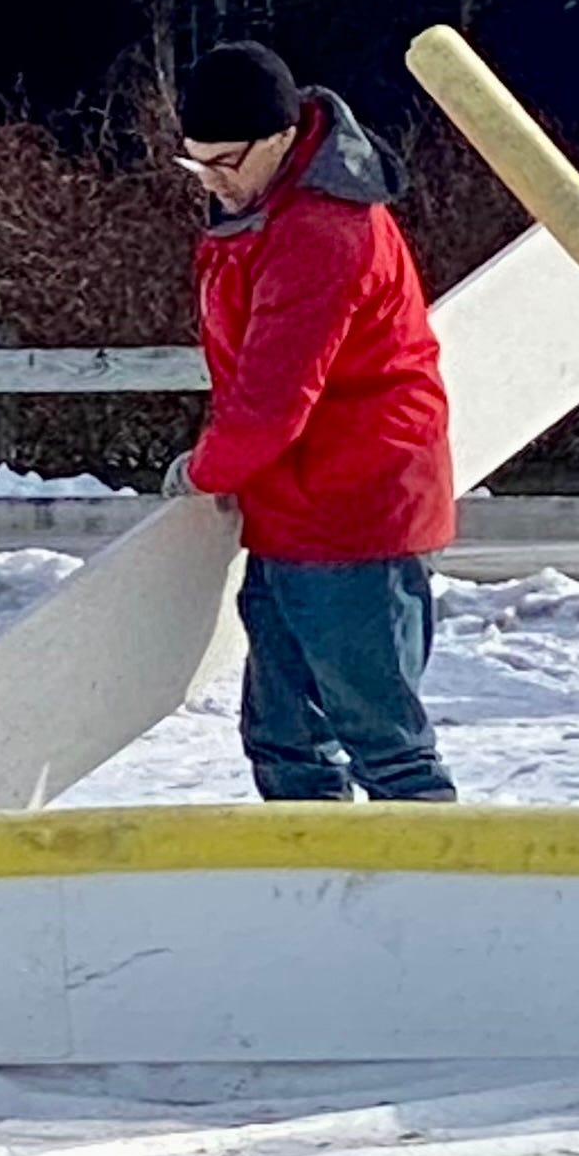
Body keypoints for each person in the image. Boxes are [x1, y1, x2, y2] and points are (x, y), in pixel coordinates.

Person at [164, 42, 457, 802]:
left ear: (283, 137)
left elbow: (270, 403)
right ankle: (312, 895)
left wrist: (202, 470)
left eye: (226, 161)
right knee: (282, 736)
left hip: (356, 509)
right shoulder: (258, 210)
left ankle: (437, 901)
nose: (214, 183)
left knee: (382, 742)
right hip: (292, 507)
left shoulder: (320, 232)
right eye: (197, 166)